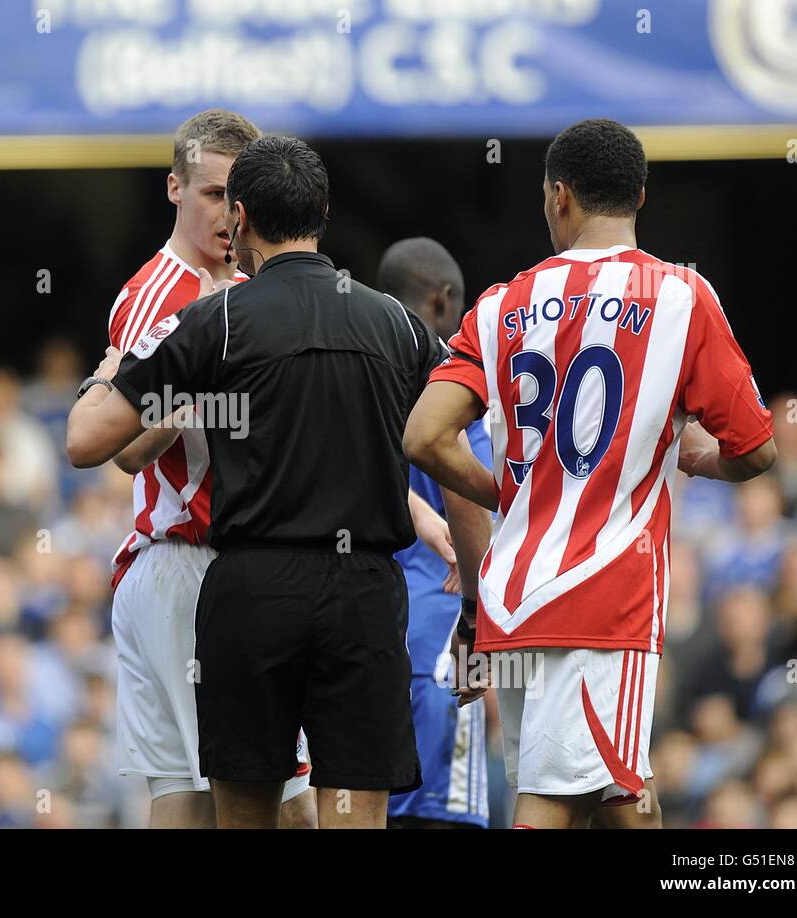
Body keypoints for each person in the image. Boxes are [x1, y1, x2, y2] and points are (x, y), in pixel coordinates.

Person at [68, 136, 488, 828]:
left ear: (238, 218)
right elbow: (457, 466)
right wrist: (474, 609)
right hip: (363, 598)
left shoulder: (214, 319)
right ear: (322, 211)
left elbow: (90, 444)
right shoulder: (398, 326)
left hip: (249, 596)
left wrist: (110, 370)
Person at [406, 118, 777, 829]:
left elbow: (425, 436)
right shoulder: (680, 297)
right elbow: (758, 449)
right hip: (605, 600)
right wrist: (700, 457)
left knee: (625, 795)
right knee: (561, 803)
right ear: (640, 195)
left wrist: (512, 490)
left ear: (558, 198)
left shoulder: (501, 302)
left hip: (514, 599)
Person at [103, 109, 313, 828]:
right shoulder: (166, 296)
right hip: (194, 567)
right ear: (174, 189)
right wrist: (209, 351)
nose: (230, 214)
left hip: (184, 570)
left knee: (186, 804)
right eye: (213, 194)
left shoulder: (236, 289)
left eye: (240, 197)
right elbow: (124, 445)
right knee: (287, 809)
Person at [376, 238, 492, 829]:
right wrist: (479, 619)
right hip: (443, 630)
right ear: (444, 301)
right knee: (440, 815)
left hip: (364, 632)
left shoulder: (360, 374)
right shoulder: (459, 378)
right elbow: (471, 501)